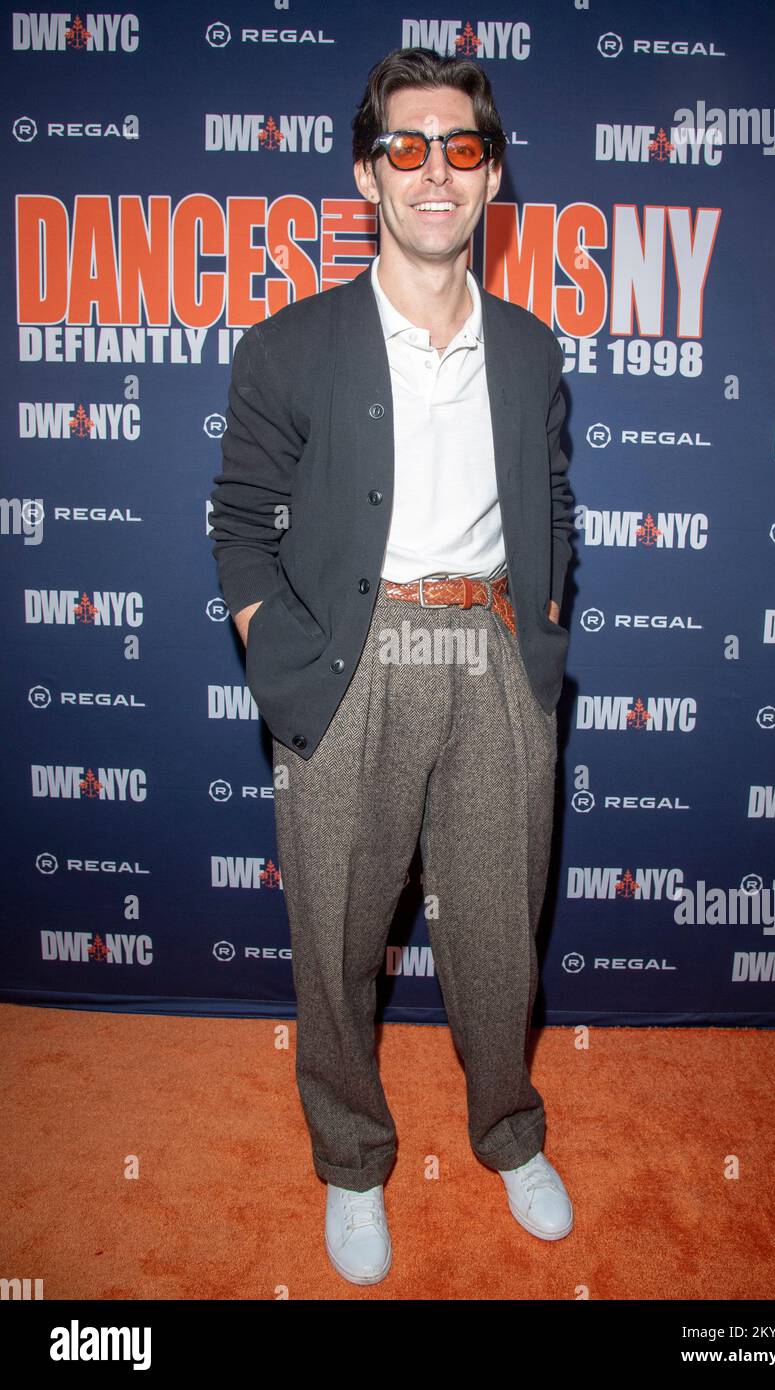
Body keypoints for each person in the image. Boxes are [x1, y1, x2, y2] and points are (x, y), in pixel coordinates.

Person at [209, 45, 575, 1286]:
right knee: (336, 937)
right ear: (368, 174)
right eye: (406, 148)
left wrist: (538, 634)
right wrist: (285, 661)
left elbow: (555, 505)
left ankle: (507, 1128)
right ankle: (353, 1162)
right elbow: (238, 524)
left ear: (491, 175)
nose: (434, 171)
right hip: (345, 662)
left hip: (490, 653)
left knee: (493, 931)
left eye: (460, 148)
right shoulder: (289, 345)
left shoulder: (529, 350)